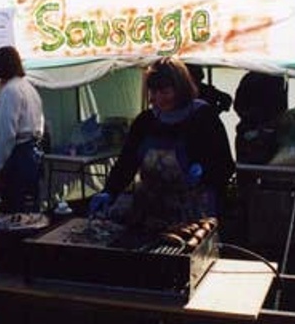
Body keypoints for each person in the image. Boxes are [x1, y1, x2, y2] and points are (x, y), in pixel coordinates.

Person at [89, 57, 234, 230]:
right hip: (151, 209)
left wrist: (204, 173)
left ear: (181, 89)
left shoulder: (203, 118)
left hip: (193, 214)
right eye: (154, 92)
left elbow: (225, 165)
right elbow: (126, 163)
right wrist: (109, 191)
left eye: (165, 92)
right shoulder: (145, 122)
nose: (158, 98)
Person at [0, 46, 44, 213]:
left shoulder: (10, 91)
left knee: (14, 208)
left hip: (18, 153)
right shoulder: (29, 88)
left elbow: (6, 134)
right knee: (31, 207)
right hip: (33, 150)